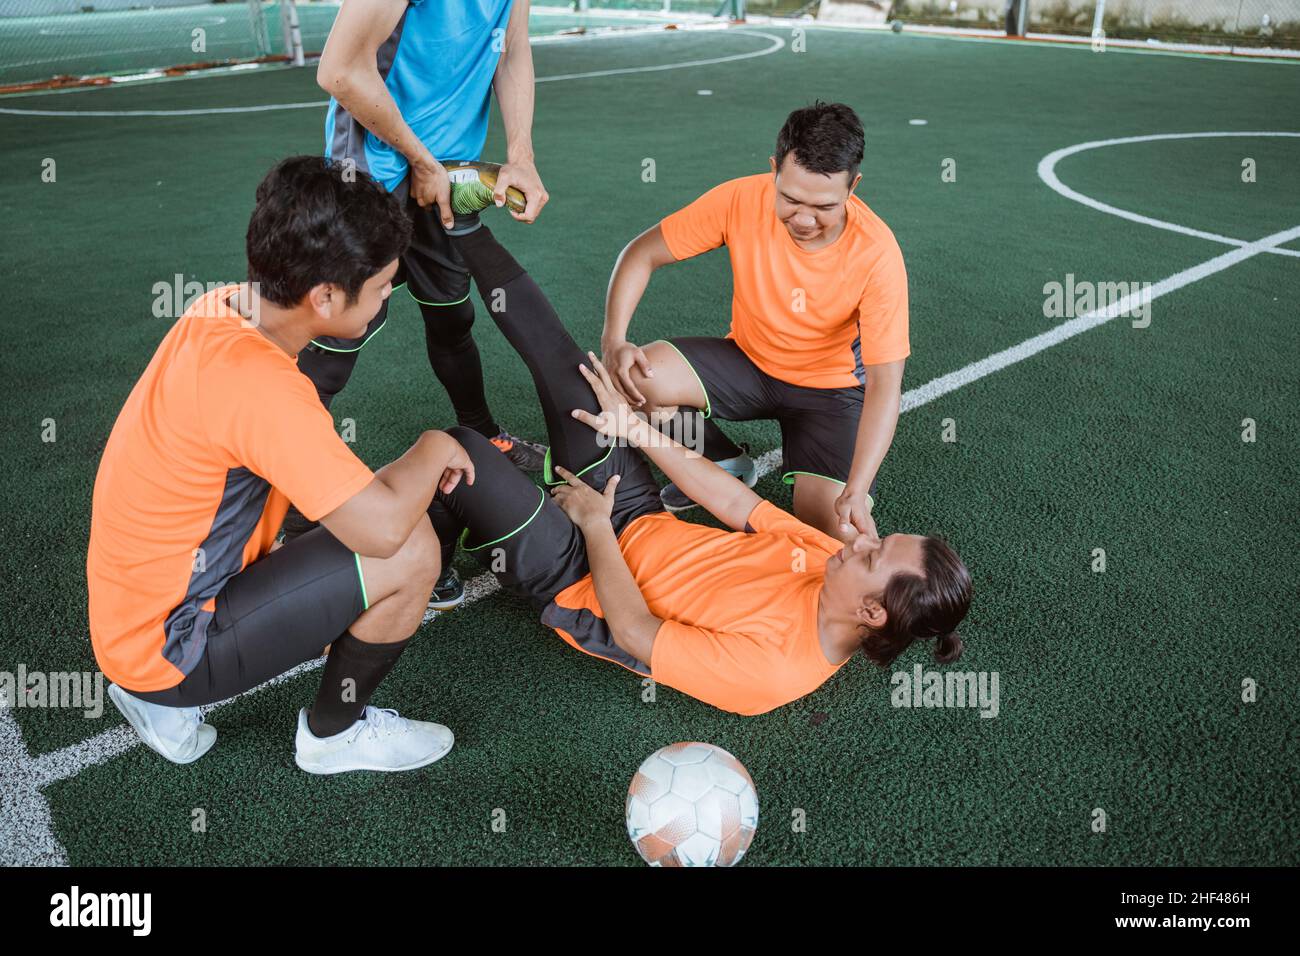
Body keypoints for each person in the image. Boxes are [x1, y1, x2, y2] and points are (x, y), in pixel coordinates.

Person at [427, 222, 972, 716]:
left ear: (873, 613)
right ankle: (461, 220)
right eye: (877, 538)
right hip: (637, 514)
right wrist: (634, 430)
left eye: (872, 555)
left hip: (581, 580)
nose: (856, 540)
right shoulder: (832, 564)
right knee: (575, 370)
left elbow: (636, 632)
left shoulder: (774, 671)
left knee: (457, 451)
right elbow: (737, 502)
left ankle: (435, 571)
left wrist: (594, 525)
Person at [88, 157, 474, 773]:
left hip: (129, 615)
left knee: (355, 510)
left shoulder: (222, 308)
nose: (381, 303)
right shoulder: (262, 388)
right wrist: (431, 446)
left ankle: (153, 699)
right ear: (323, 297)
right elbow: (382, 531)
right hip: (173, 645)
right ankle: (332, 737)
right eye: (379, 289)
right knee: (411, 549)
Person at [285, 0, 550, 611]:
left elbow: (512, 51)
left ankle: (487, 436)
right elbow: (341, 71)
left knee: (453, 314)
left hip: (447, 173)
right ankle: (294, 505)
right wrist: (419, 159)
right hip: (373, 169)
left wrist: (521, 153)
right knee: (334, 348)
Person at [602, 102, 908, 544]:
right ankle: (722, 458)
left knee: (831, 536)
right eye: (790, 199)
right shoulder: (740, 198)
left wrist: (858, 489)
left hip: (831, 393)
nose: (803, 219)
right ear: (773, 171)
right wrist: (615, 338)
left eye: (824, 206)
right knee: (631, 376)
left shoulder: (877, 253)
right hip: (749, 363)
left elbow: (884, 384)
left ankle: (827, 488)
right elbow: (640, 253)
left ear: (853, 186)